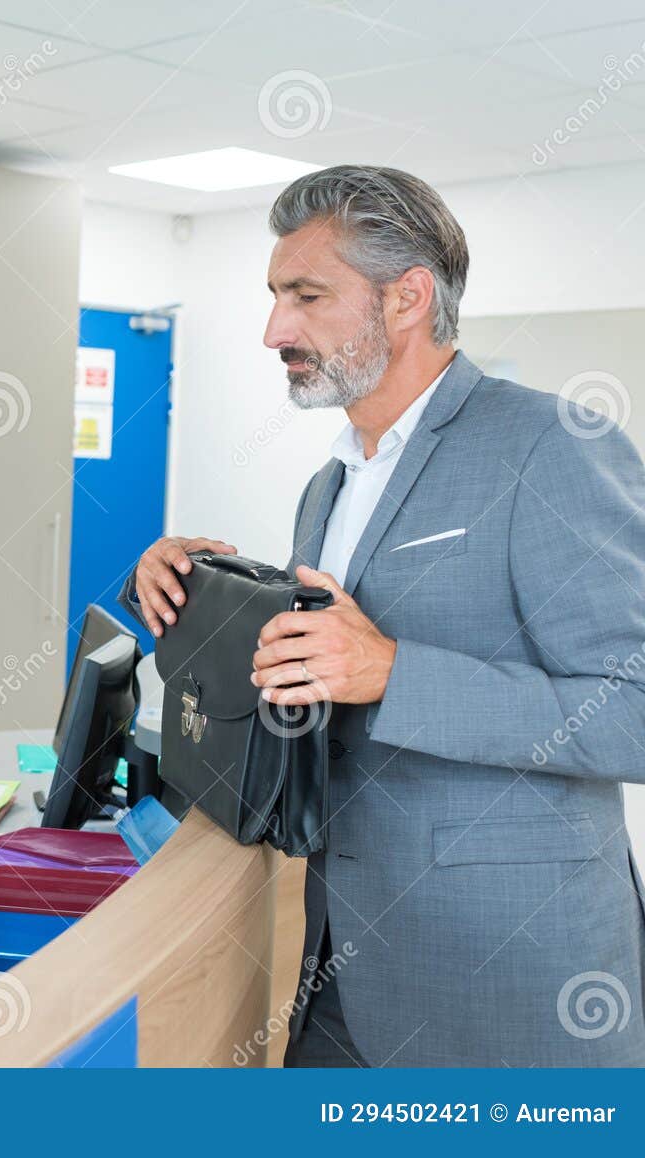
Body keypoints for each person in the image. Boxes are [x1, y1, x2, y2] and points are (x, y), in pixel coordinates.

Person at [123, 164, 645, 1066]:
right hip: (337, 962)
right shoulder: (331, 483)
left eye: (307, 295)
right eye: (275, 296)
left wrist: (393, 673)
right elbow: (318, 668)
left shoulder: (550, 446)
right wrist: (195, 590)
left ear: (407, 298)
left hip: (506, 984)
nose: (273, 329)